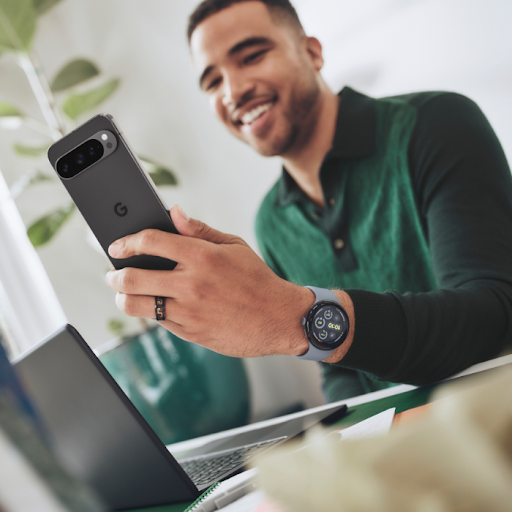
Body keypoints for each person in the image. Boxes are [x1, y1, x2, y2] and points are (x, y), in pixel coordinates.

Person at [106, 0, 512, 401]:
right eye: (212, 82)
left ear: (312, 52)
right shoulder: (272, 221)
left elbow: (493, 316)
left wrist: (292, 316)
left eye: (251, 56)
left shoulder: (437, 124)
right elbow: (340, 372)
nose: (234, 91)